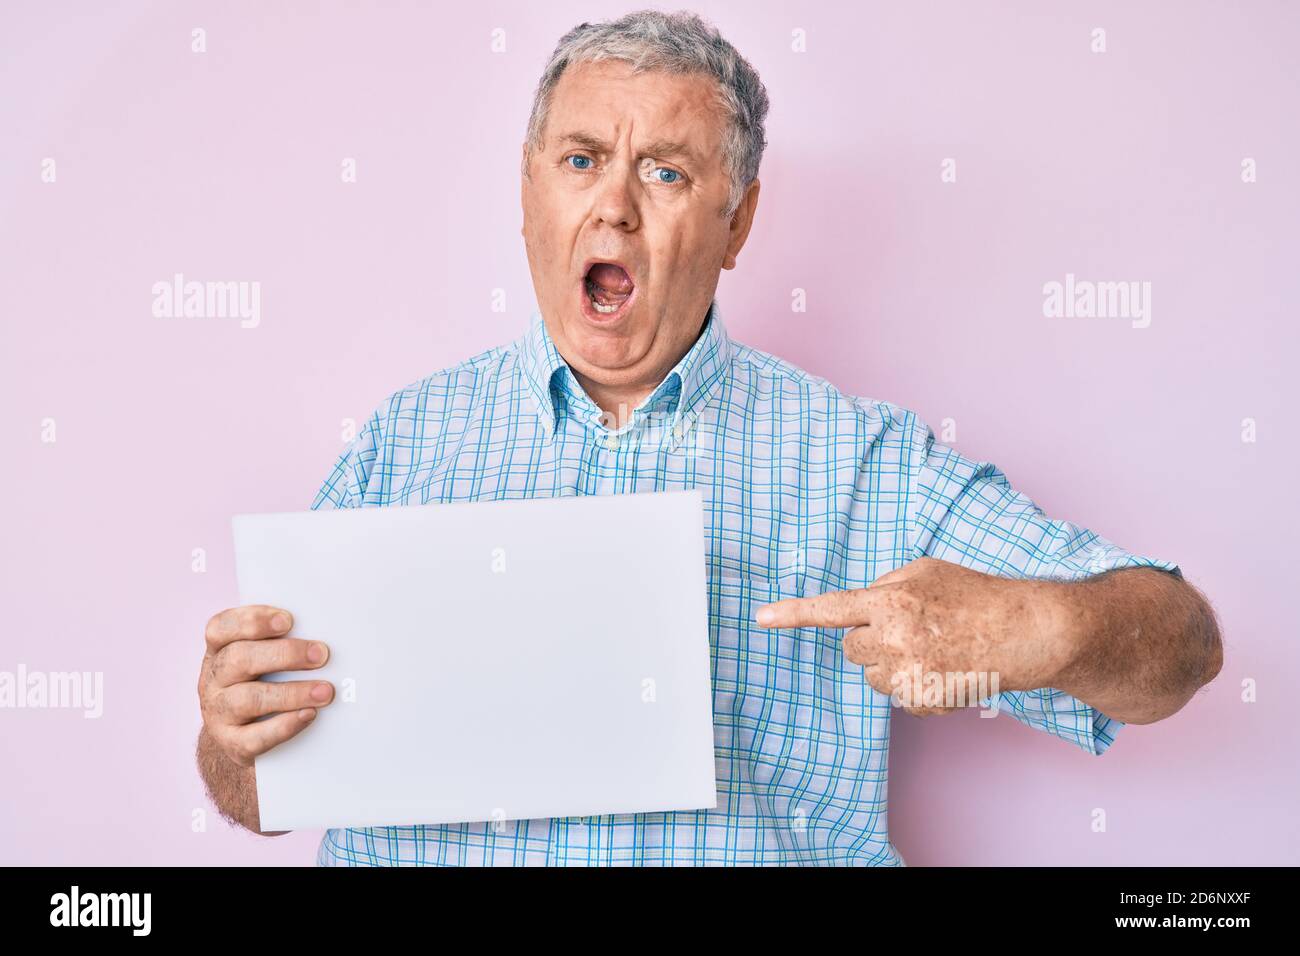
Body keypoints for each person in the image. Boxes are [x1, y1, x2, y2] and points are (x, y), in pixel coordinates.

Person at [196, 10, 1221, 866]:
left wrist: (1029, 629)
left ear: (738, 221)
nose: (613, 207)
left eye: (667, 174)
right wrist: (232, 737)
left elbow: (1180, 646)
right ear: (527, 190)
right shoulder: (401, 442)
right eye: (581, 159)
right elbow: (254, 795)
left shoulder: (860, 463)